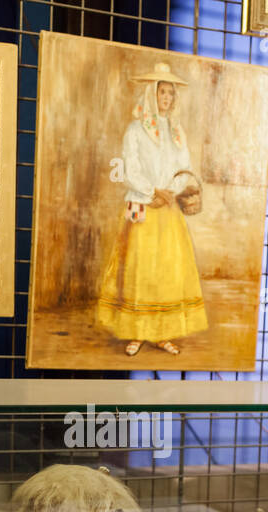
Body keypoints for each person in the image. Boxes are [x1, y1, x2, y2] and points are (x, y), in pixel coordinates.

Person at [95, 63, 208, 358]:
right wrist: (150, 192)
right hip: (142, 206)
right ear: (151, 93)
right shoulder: (135, 129)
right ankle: (137, 331)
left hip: (168, 208)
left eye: (171, 93)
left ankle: (162, 333)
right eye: (162, 92)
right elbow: (129, 167)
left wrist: (172, 190)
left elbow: (185, 166)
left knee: (168, 269)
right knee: (138, 267)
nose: (167, 98)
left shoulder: (176, 130)